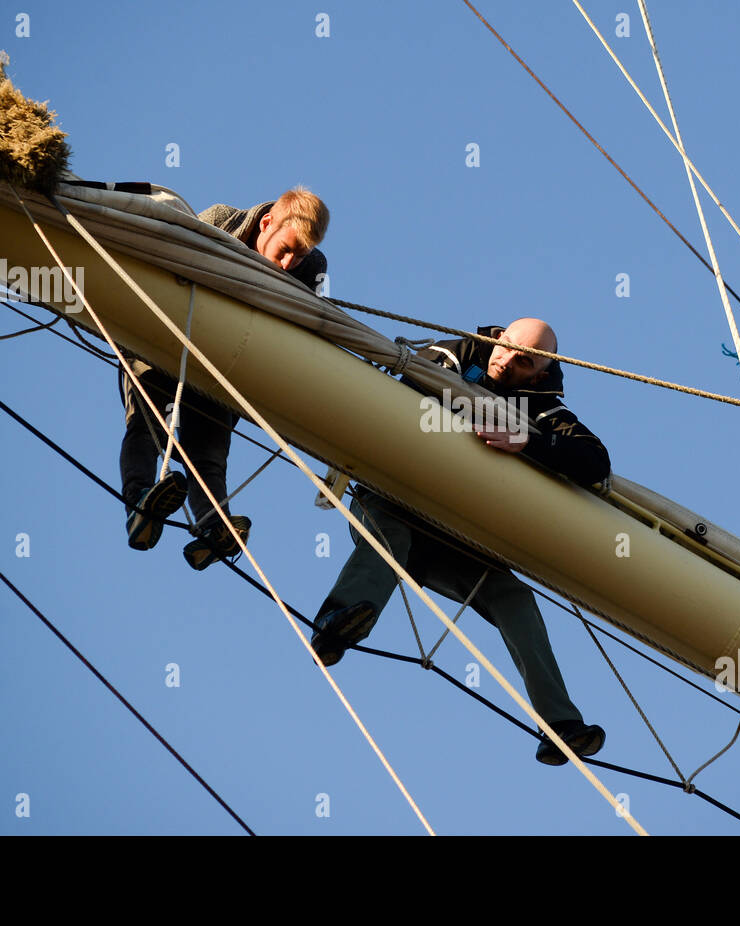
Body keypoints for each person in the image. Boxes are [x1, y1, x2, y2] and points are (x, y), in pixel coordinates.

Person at [311, 318, 612, 765]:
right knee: (389, 538)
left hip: (455, 534)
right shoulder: (452, 354)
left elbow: (594, 461)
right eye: (505, 345)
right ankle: (336, 624)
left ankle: (560, 724)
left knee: (512, 596)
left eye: (523, 360)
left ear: (540, 373)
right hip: (393, 497)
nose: (506, 358)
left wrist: (528, 439)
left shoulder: (542, 408)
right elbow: (405, 381)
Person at [121, 187, 330, 568]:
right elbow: (169, 263)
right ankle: (140, 504)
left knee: (209, 452)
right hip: (163, 340)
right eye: (284, 249)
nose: (287, 264)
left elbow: (312, 322)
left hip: (222, 365)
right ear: (266, 222)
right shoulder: (220, 220)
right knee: (149, 422)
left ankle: (211, 527)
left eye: (298, 256)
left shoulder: (313, 267)